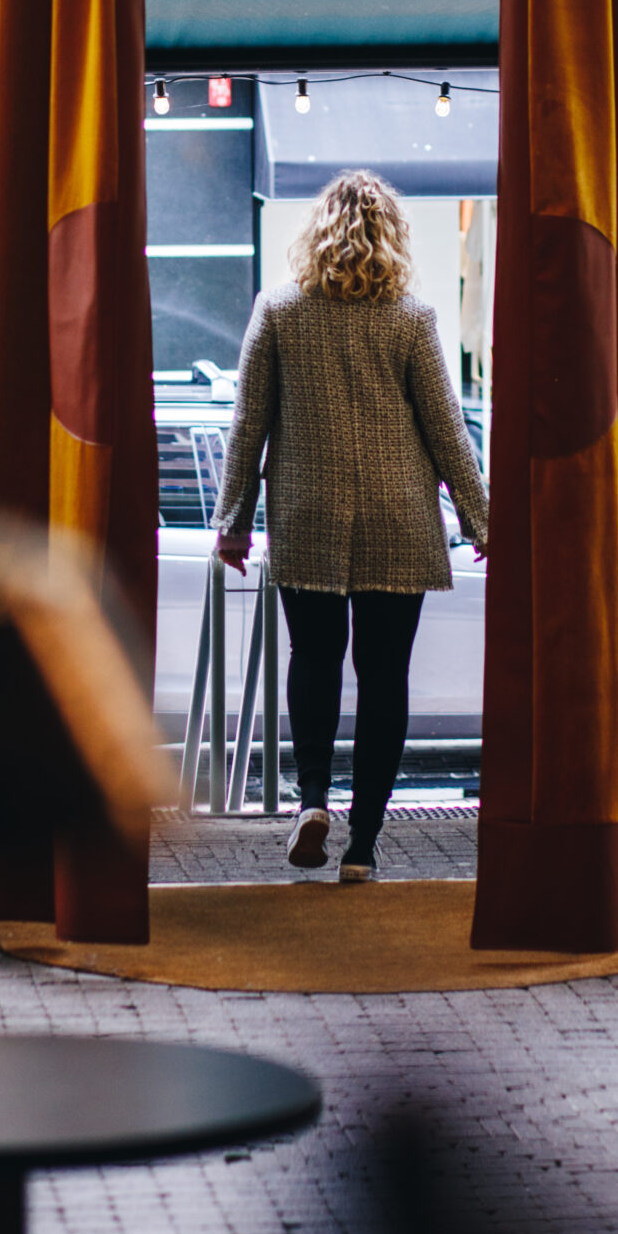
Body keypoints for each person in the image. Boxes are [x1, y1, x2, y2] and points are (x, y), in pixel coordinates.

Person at [214, 169, 490, 883]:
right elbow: (445, 431)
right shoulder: (411, 318)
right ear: (389, 235)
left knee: (312, 658)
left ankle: (311, 800)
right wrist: (479, 518)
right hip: (398, 514)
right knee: (384, 675)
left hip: (307, 509)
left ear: (316, 233)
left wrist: (232, 523)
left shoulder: (277, 310)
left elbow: (248, 425)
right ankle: (363, 845)